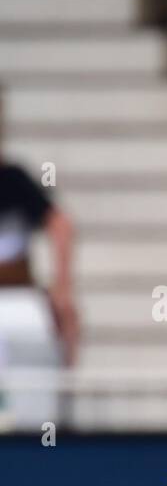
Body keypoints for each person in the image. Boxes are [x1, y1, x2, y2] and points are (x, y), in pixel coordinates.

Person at [0, 113, 78, 365]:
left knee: (66, 316)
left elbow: (61, 225)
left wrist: (62, 287)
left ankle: (62, 395)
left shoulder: (13, 179)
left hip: (16, 287)